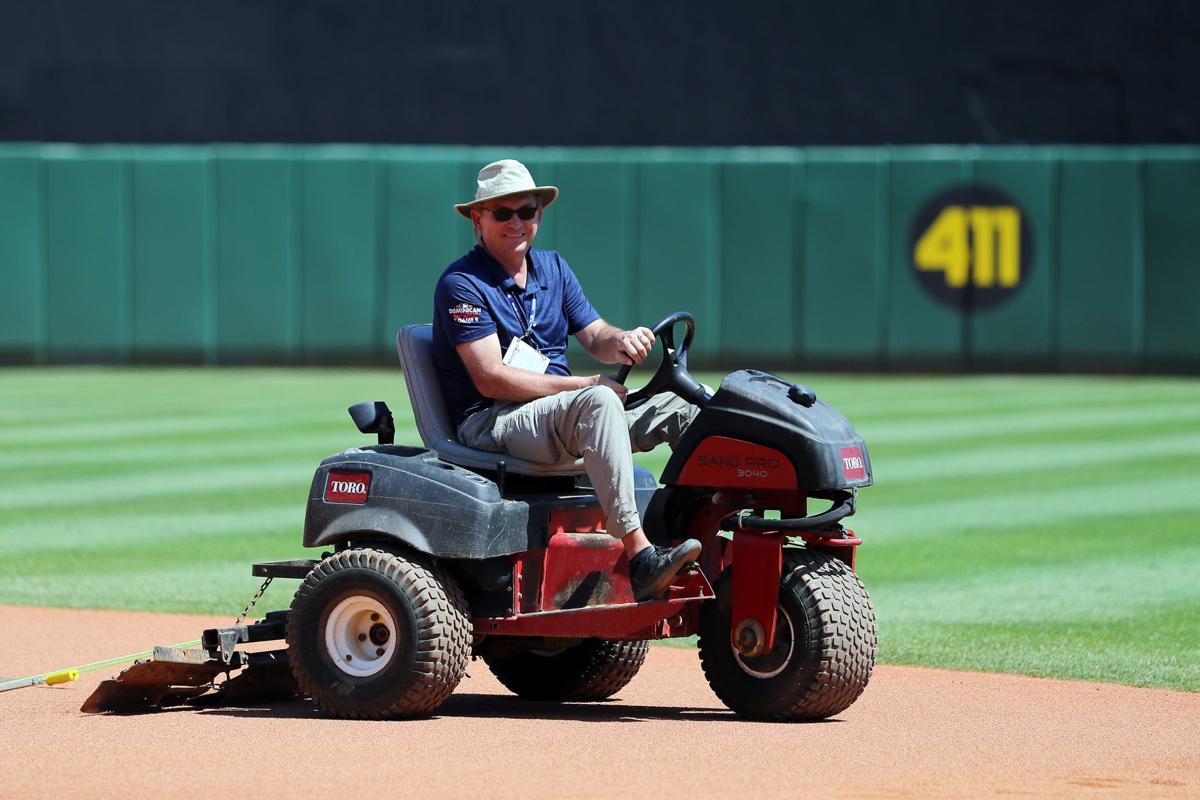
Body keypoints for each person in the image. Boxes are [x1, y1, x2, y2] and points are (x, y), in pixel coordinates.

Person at [431, 159, 703, 601]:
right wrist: (586, 385)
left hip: (558, 415)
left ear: (540, 214)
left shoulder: (554, 269)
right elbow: (491, 379)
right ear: (478, 219)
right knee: (599, 403)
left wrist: (624, 340)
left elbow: (596, 335)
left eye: (528, 211)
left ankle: (707, 534)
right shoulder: (461, 284)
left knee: (686, 409)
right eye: (503, 213)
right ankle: (639, 558)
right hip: (495, 421)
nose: (517, 222)